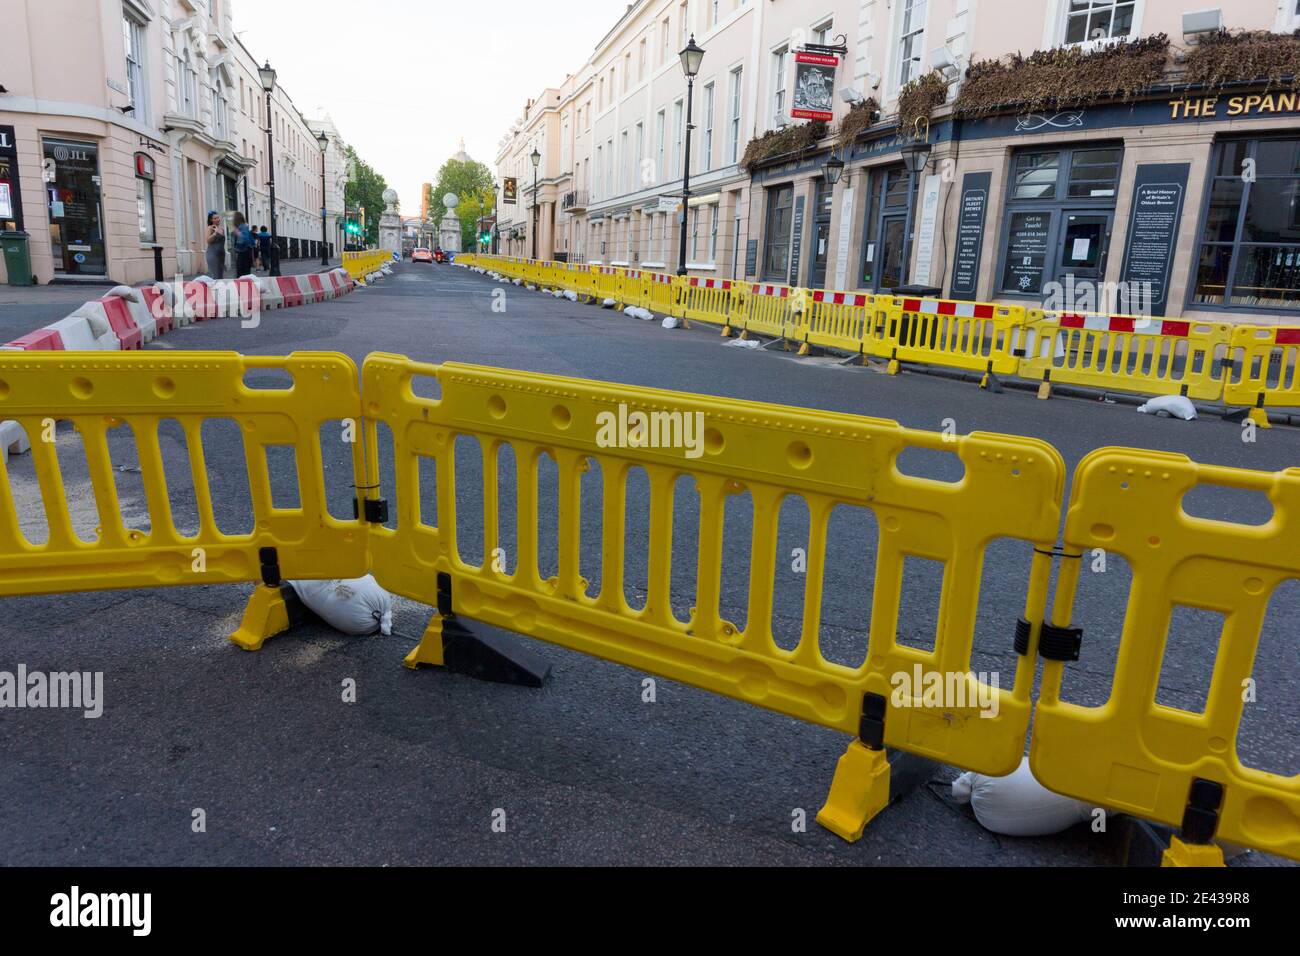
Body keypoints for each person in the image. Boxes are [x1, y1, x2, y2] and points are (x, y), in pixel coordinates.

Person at [232, 212, 255, 277]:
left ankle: (243, 286)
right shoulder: (244, 226)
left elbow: (244, 239)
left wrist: (238, 233)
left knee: (242, 272)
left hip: (244, 252)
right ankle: (244, 286)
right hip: (246, 252)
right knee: (245, 272)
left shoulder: (242, 227)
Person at [204, 211, 225, 279]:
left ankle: (220, 289)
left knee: (220, 276)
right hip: (212, 254)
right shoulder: (210, 228)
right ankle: (214, 289)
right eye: (215, 218)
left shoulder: (222, 228)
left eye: (218, 217)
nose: (217, 219)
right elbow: (208, 240)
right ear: (211, 220)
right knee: (215, 276)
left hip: (221, 254)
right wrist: (215, 233)